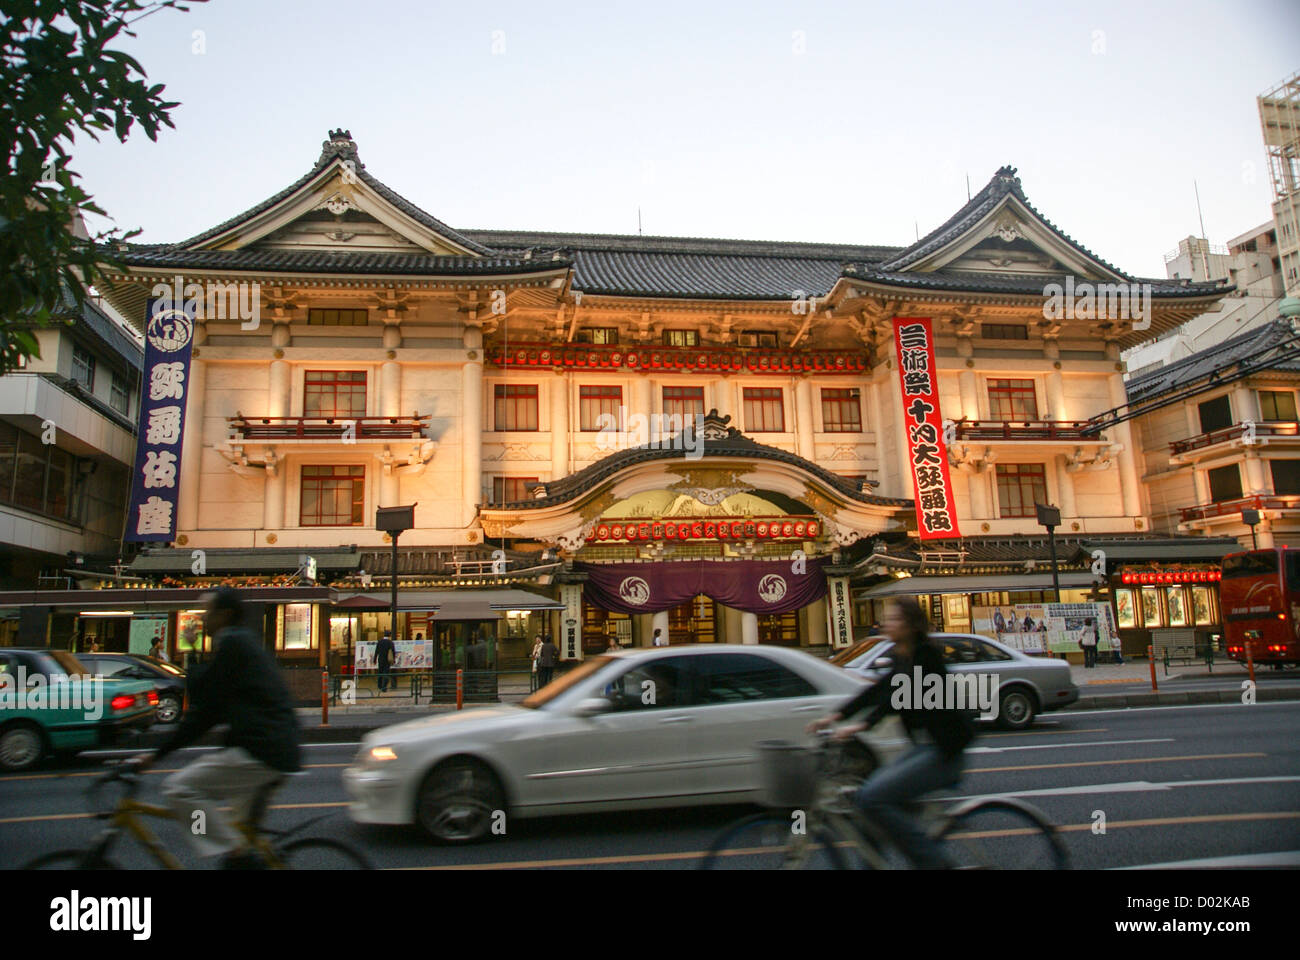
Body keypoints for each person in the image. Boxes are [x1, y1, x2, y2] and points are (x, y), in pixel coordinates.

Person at [132, 587, 300, 869]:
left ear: (225, 614)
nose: (203, 618)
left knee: (180, 789)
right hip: (274, 747)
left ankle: (235, 853)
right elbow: (210, 702)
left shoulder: (233, 644)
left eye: (208, 612)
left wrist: (156, 755)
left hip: (259, 750)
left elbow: (204, 710)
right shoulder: (240, 642)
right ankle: (240, 854)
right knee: (238, 830)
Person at [808, 597, 975, 869]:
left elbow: (898, 697)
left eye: (895, 619)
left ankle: (938, 864)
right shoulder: (902, 654)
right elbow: (878, 690)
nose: (887, 623)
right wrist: (836, 716)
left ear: (910, 625)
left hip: (945, 750)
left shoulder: (925, 655)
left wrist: (861, 725)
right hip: (924, 748)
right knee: (867, 800)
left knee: (872, 798)